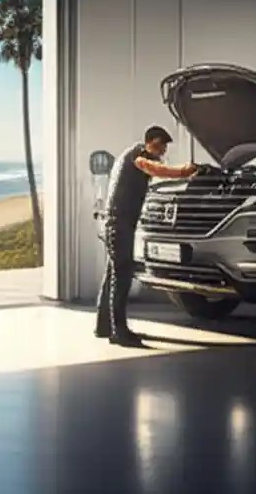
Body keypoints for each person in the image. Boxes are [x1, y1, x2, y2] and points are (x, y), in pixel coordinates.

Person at [96, 125, 198, 346]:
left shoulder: (130, 156)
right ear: (152, 141)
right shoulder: (138, 155)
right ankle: (119, 332)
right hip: (120, 224)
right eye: (161, 148)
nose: (162, 154)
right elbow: (153, 168)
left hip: (116, 223)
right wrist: (184, 171)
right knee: (121, 277)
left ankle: (103, 326)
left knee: (113, 275)